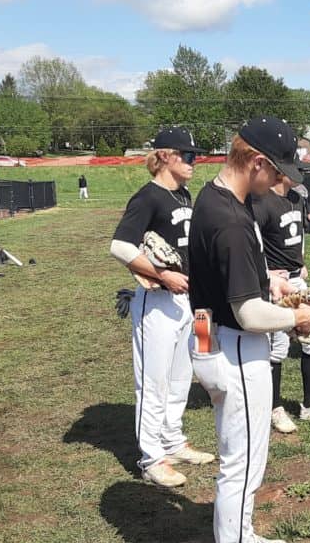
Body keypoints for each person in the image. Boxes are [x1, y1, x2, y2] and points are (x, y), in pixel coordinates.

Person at [189, 116, 310, 543]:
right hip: (236, 346)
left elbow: (229, 275)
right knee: (243, 461)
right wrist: (297, 317)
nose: (280, 180)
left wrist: (269, 281)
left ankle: (238, 534)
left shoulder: (213, 195)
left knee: (236, 455)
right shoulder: (232, 219)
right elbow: (248, 314)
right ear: (257, 162)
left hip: (207, 333)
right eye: (278, 171)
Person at [109, 126, 216, 487]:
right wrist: (162, 274)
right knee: (153, 383)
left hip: (188, 303)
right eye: (188, 156)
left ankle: (173, 440)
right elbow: (121, 247)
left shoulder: (183, 195)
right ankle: (152, 458)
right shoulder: (148, 197)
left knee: (180, 378)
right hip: (156, 303)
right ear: (166, 156)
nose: (193, 162)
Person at [252, 165, 310, 435]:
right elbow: (252, 244)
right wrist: (266, 274)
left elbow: (299, 235)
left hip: (296, 279)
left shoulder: (297, 197)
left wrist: (300, 262)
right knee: (278, 346)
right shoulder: (261, 202)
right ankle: (274, 408)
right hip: (275, 285)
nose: (298, 173)